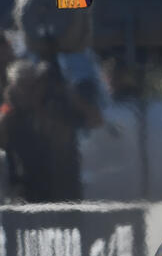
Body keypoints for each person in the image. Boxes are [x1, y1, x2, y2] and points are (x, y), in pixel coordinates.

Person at [0, 59, 96, 201]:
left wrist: (68, 92)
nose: (27, 91)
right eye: (22, 85)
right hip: (28, 190)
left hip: (64, 188)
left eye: (32, 85)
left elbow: (94, 121)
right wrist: (8, 107)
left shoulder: (56, 109)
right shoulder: (11, 116)